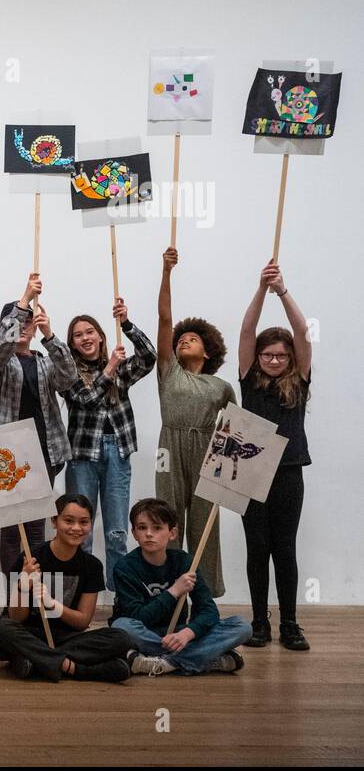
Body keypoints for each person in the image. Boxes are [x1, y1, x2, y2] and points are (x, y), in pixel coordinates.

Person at [237, 261, 312, 650]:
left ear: (291, 359)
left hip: (289, 470)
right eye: (269, 354)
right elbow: (247, 330)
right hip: (251, 472)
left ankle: (291, 624)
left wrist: (282, 290)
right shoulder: (250, 378)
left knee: (285, 548)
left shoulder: (298, 380)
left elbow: (301, 330)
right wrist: (259, 289)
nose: (274, 361)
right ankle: (259, 623)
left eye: (281, 356)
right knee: (257, 548)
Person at [0, 273, 78, 570]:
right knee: (11, 529)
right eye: (16, 323)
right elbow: (0, 348)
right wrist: (25, 298)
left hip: (43, 452)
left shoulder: (44, 361)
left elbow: (69, 377)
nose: (22, 328)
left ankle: (34, 597)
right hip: (6, 455)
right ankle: (14, 601)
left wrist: (49, 335)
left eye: (28, 323)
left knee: (35, 528)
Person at [155, 247, 235, 597]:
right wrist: (167, 272)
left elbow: (237, 431)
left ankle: (204, 599)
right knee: (167, 521)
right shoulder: (169, 371)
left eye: (193, 338)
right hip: (168, 449)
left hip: (206, 450)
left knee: (205, 527)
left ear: (208, 351)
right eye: (181, 339)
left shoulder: (221, 386)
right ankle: (169, 595)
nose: (184, 339)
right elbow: (164, 320)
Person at [62, 300, 156, 592]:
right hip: (82, 456)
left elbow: (149, 357)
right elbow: (86, 399)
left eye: (90, 332)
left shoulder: (118, 369)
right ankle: (81, 596)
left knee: (116, 532)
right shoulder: (67, 372)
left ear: (101, 336)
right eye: (78, 335)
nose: (86, 338)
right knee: (80, 532)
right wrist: (111, 367)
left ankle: (120, 597)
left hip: (117, 450)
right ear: (73, 343)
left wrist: (127, 324)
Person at [0, 494, 132, 682]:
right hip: (28, 633)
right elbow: (16, 617)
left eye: (84, 522)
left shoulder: (92, 566)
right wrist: (23, 587)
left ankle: (36, 661)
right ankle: (77, 669)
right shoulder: (30, 558)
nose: (76, 528)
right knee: (3, 629)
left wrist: (52, 605)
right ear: (54, 521)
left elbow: (82, 622)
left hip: (66, 637)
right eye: (68, 521)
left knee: (121, 638)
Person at [112, 498, 251, 675]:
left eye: (157, 527)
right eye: (142, 527)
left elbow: (208, 610)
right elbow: (138, 617)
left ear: (172, 533)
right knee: (121, 626)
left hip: (179, 633)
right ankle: (204, 660)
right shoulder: (125, 568)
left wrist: (188, 633)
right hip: (146, 633)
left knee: (242, 626)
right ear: (134, 533)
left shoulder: (185, 562)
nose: (148, 533)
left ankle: (165, 662)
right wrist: (174, 591)